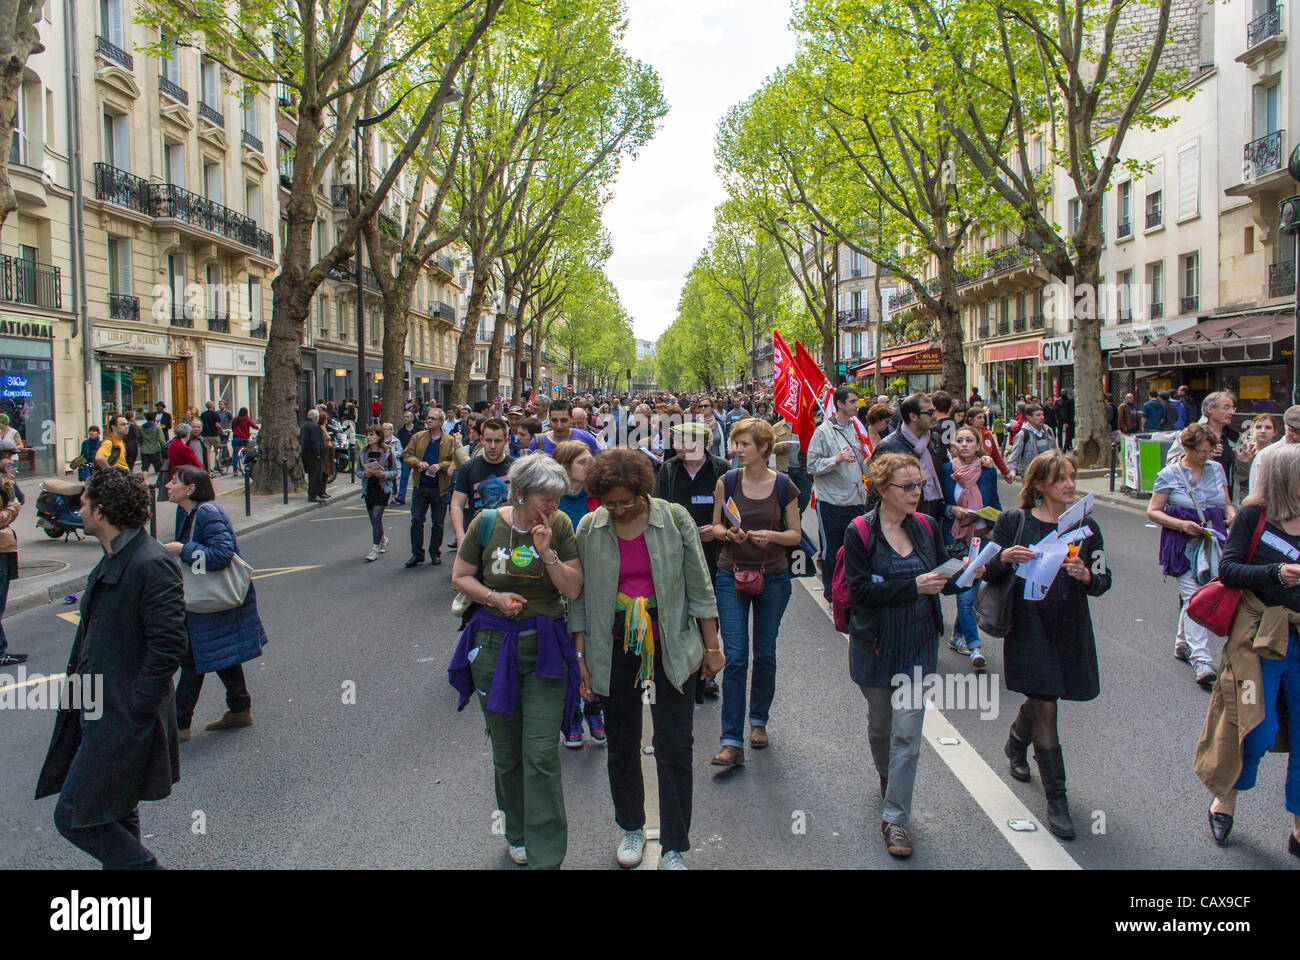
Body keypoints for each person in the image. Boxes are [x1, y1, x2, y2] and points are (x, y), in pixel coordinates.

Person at [570, 448, 723, 870]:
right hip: (614, 646)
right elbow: (579, 602)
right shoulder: (589, 528)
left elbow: (700, 586)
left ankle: (674, 845)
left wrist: (712, 648)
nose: (618, 509)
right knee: (621, 744)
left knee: (675, 744)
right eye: (610, 502)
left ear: (643, 491)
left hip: (672, 645)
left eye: (626, 500)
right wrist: (581, 658)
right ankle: (632, 828)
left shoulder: (673, 519)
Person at [35, 469, 187, 868]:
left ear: (100, 511)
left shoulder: (149, 562)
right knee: (113, 811)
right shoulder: (117, 556)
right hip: (100, 710)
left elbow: (169, 645)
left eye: (83, 502)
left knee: (75, 818)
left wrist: (136, 706)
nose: (79, 508)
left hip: (120, 716)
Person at [448, 456, 584, 869]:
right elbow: (461, 576)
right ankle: (517, 832)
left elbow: (574, 588)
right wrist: (494, 598)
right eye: (547, 498)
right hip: (493, 649)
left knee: (541, 753)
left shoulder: (559, 526)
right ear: (521, 493)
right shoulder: (487, 523)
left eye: (560, 498)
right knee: (507, 753)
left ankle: (547, 854)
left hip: (544, 651)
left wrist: (548, 556)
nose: (555, 506)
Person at [843, 451, 979, 858]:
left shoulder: (926, 526)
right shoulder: (859, 531)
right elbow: (860, 591)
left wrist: (970, 571)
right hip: (876, 645)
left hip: (919, 643)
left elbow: (943, 580)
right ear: (882, 490)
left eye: (920, 484)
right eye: (907, 486)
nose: (917, 492)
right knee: (882, 728)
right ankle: (888, 778)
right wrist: (913, 586)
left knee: (908, 736)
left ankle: (896, 818)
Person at [983, 450, 1111, 839]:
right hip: (1028, 626)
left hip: (1068, 625)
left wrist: (1086, 575)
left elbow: (1104, 581)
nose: (1070, 485)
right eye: (1061, 479)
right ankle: (1058, 800)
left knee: (1045, 699)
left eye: (1072, 477)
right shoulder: (1013, 521)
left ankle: (1016, 742)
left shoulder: (1087, 529)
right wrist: (1005, 557)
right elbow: (984, 570)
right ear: (1039, 485)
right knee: (1046, 706)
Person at [1196, 443, 1300, 856]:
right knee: (1255, 731)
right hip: (1260, 637)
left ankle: (1298, 827)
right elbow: (1229, 570)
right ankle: (1227, 797)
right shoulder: (1255, 517)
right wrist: (1276, 571)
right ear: (1283, 479)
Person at [709, 418, 802, 768]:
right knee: (735, 657)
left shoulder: (784, 485)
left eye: (745, 444)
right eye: (736, 443)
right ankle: (731, 740)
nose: (738, 450)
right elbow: (717, 524)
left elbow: (794, 534)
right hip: (730, 573)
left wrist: (772, 536)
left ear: (764, 447)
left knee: (764, 653)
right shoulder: (727, 481)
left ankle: (758, 721)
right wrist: (725, 534)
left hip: (773, 577)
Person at [162, 465, 266, 739]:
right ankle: (240, 708)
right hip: (206, 600)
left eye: (174, 481)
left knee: (194, 658)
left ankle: (179, 725)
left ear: (191, 489)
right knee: (220, 654)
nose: (168, 486)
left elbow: (220, 555)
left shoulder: (208, 513)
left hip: (212, 600)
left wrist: (183, 549)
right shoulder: (187, 512)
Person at [1147, 423, 1233, 687]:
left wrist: (1232, 517)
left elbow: (1226, 504)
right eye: (1201, 452)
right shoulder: (1169, 474)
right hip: (1182, 543)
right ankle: (1202, 659)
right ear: (1187, 448)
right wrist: (1182, 525)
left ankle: (1182, 643)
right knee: (1196, 595)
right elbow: (1153, 511)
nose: (1206, 457)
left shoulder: (1217, 470)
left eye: (1210, 451)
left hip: (1212, 541)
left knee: (1199, 592)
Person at [653, 421, 731, 698]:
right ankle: (689, 663)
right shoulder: (669, 469)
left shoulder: (722, 468)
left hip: (713, 549)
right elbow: (658, 505)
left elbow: (734, 510)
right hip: (677, 548)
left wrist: (719, 528)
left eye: (681, 440)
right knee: (681, 605)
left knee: (708, 605)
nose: (676, 446)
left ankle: (709, 672)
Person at [550, 439, 608, 749]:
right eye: (584, 462)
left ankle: (594, 709)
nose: (591, 466)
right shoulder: (552, 501)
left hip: (595, 587)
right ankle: (570, 714)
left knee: (592, 651)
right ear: (565, 468)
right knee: (566, 653)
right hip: (561, 587)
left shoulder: (599, 499)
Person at [940, 424, 1001, 669]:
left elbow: (995, 503)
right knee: (965, 594)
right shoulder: (945, 470)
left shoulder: (987, 471)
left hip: (980, 536)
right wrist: (952, 510)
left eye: (970, 441)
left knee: (969, 591)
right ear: (955, 444)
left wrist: (992, 520)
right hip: (955, 539)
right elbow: (938, 503)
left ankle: (957, 636)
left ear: (978, 445)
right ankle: (974, 646)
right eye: (960, 440)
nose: (964, 444)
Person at [809, 387, 869, 602]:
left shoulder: (859, 429)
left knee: (856, 547)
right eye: (852, 401)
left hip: (856, 499)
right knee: (832, 551)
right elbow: (812, 465)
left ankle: (851, 588)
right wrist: (834, 460)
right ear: (840, 404)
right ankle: (832, 592)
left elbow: (864, 460)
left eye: (857, 401)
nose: (856, 405)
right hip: (831, 502)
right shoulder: (823, 431)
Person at [402, 408, 466, 567]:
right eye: (427, 418)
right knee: (416, 520)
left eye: (432, 419)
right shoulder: (418, 437)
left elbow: (455, 460)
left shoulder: (449, 440)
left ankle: (435, 553)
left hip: (439, 486)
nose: (428, 421)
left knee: (438, 522)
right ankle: (417, 554)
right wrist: (418, 463)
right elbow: (406, 455)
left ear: (441, 422)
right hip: (420, 485)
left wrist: (440, 466)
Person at [871, 392, 949, 521]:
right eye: (929, 413)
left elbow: (945, 471)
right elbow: (875, 492)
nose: (934, 417)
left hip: (933, 518)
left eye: (934, 411)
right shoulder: (888, 447)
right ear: (913, 416)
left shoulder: (934, 439)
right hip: (901, 521)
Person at [1167, 391, 1249, 501]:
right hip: (1194, 502)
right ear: (1210, 409)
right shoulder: (1190, 434)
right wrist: (1204, 456)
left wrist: (1244, 462)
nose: (1231, 412)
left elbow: (1240, 478)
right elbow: (1171, 464)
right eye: (1226, 407)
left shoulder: (1235, 438)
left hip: (1226, 502)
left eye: (1233, 408)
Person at [450, 417, 514, 551]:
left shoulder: (515, 468)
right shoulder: (469, 467)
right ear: (481, 439)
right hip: (478, 537)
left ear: (506, 441)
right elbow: (456, 504)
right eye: (488, 440)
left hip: (509, 538)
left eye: (498, 441)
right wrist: (461, 536)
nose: (492, 446)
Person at [0, 446, 25, 666]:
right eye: (8, 458)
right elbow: (9, 510)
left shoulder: (4, 482)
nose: (11, 462)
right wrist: (12, 509)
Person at [360, 424, 400, 561]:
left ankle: (374, 548)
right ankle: (383, 538)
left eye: (372, 434)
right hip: (369, 488)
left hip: (383, 488)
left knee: (377, 516)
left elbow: (395, 471)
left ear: (379, 436)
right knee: (373, 519)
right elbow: (358, 471)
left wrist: (384, 474)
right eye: (367, 434)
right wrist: (364, 474)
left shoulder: (387, 452)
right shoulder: (363, 452)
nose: (368, 437)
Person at [1005, 404, 1059, 479]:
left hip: (1049, 476)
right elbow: (1013, 459)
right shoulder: (1023, 435)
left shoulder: (1048, 431)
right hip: (1032, 478)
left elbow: (1055, 452)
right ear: (1029, 418)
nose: (1042, 417)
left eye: (1042, 414)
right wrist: (1012, 472)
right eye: (1038, 415)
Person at [532, 400, 601, 456]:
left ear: (571, 419)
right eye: (554, 420)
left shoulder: (586, 438)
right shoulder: (538, 443)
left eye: (564, 420)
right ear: (549, 419)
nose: (559, 426)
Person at [966, 405, 1011, 478]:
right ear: (970, 419)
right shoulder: (964, 434)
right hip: (969, 473)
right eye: (979, 418)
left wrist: (1005, 472)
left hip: (986, 473)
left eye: (983, 417)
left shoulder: (987, 434)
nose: (983, 420)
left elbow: (996, 455)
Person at [300, 408, 329, 503]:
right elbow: (316, 441)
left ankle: (315, 493)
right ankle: (313, 495)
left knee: (313, 474)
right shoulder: (314, 427)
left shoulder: (305, 425)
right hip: (314, 455)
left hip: (306, 454)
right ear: (316, 417)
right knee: (315, 475)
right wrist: (318, 453)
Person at [394, 409, 417, 504]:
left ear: (412, 418)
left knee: (418, 477)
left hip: (417, 457)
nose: (405, 419)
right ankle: (401, 496)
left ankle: (417, 496)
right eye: (404, 417)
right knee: (404, 476)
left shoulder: (418, 429)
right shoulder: (401, 431)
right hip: (406, 457)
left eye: (407, 417)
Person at [231, 408, 256, 476]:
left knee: (235, 454)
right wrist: (258, 428)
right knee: (247, 452)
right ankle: (246, 466)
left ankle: (235, 471)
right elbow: (253, 425)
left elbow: (232, 428)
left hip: (236, 439)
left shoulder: (235, 419)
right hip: (244, 439)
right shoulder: (246, 419)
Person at [137, 412, 165, 476]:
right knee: (158, 469)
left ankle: (144, 482)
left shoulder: (141, 428)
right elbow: (161, 440)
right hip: (155, 450)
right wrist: (164, 447)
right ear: (154, 418)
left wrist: (140, 445)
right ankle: (158, 483)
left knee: (145, 468)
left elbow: (139, 438)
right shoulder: (157, 428)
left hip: (144, 450)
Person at [199, 401, 223, 473]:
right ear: (212, 406)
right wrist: (222, 430)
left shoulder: (203, 414)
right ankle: (219, 465)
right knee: (218, 451)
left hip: (205, 435)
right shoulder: (215, 414)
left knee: (207, 453)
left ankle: (208, 467)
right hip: (214, 435)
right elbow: (216, 424)